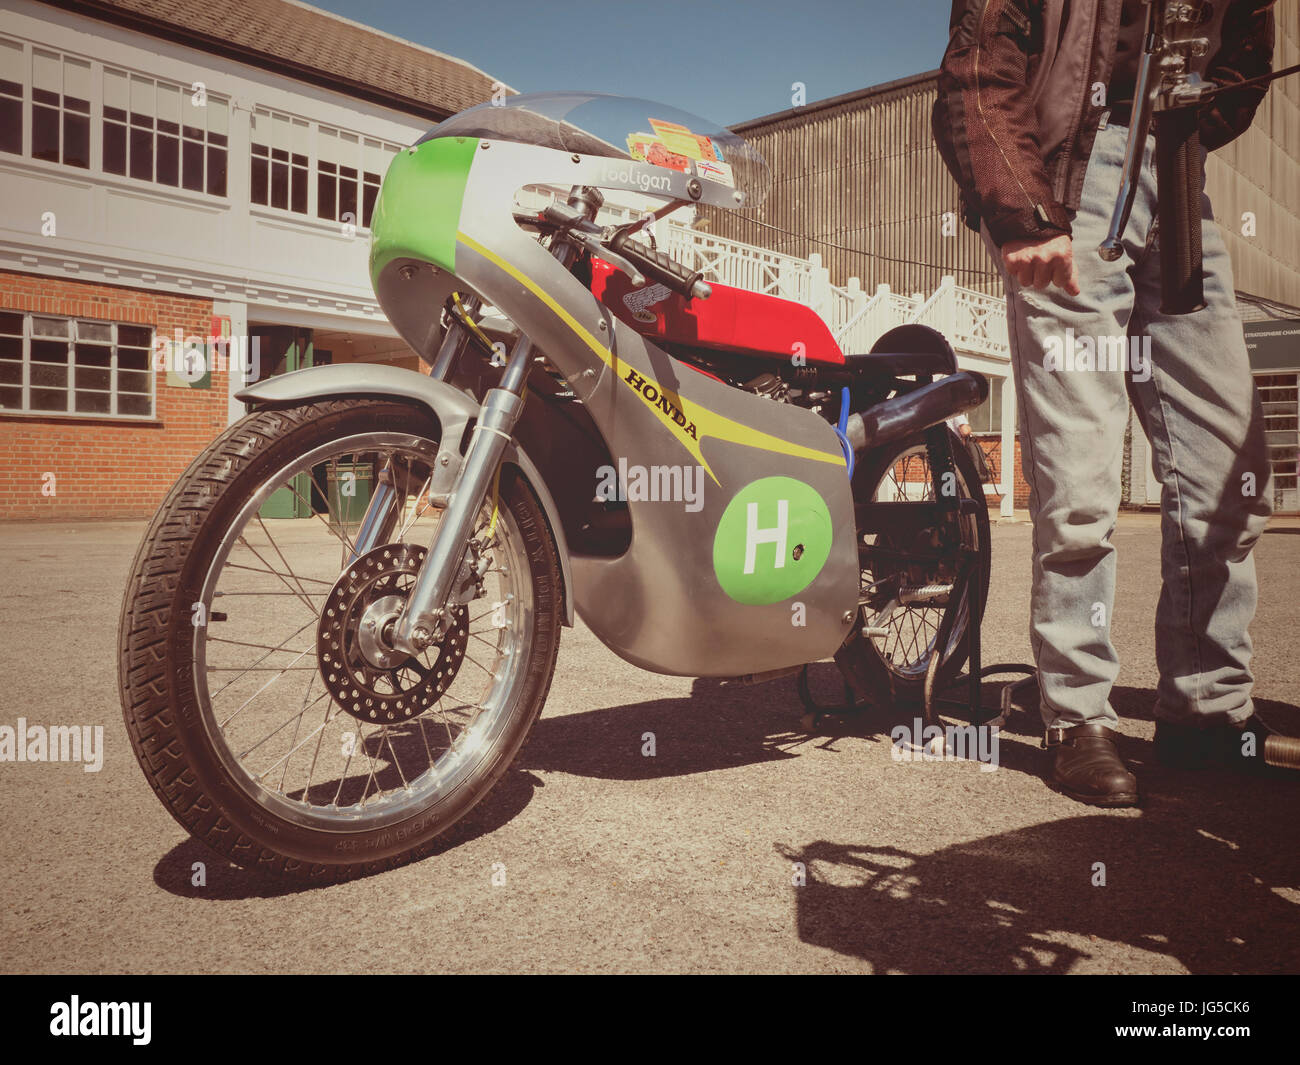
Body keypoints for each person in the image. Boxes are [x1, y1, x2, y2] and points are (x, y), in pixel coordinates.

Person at [932, 0, 1278, 806]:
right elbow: (979, 64)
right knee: (1082, 472)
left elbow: (1248, 50)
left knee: (1227, 464)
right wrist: (1020, 209)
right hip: (1068, 177)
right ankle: (1078, 714)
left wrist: (1194, 114)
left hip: (1176, 170)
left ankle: (1207, 708)